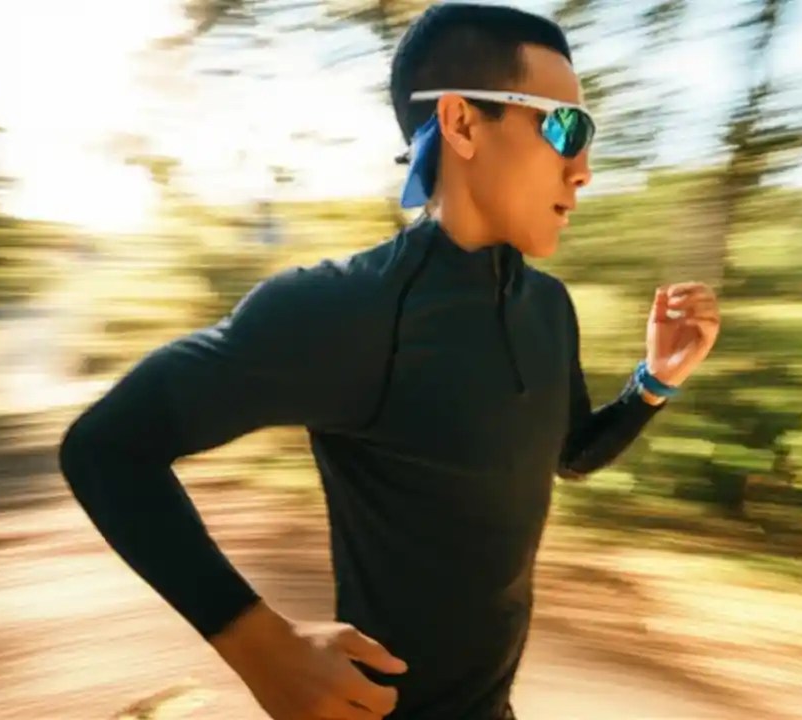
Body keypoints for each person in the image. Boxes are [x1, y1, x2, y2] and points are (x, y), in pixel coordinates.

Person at [58, 3, 719, 720]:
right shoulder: (349, 311)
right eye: (565, 127)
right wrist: (257, 643)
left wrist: (656, 380)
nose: (585, 169)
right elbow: (106, 449)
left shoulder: (548, 309)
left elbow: (566, 454)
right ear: (464, 123)